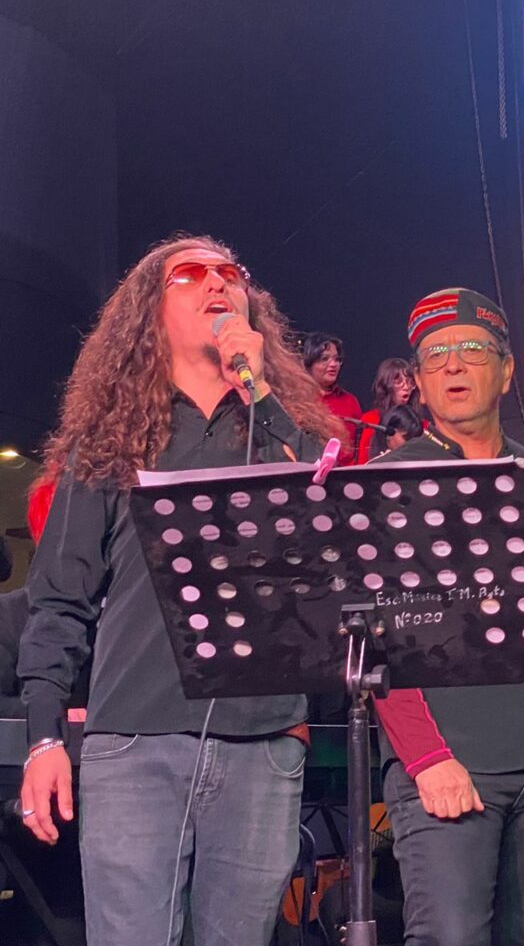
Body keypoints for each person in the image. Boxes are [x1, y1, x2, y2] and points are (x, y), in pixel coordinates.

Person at [17, 235, 340, 946]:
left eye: (231, 273)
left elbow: (339, 535)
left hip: (264, 743)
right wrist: (44, 738)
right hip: (135, 740)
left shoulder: (281, 429)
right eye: (189, 274)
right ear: (148, 314)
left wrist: (260, 388)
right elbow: (60, 602)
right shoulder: (109, 441)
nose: (216, 283)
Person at [373, 287, 524, 946]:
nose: (453, 367)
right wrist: (426, 757)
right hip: (454, 759)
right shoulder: (388, 482)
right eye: (436, 358)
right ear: (419, 385)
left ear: (507, 370)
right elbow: (371, 634)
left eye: (471, 351)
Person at [303, 330, 362, 463]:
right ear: (309, 363)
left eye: (337, 359)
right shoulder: (298, 402)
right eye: (325, 358)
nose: (333, 364)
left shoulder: (350, 401)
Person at [357, 357, 416, 462]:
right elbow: (363, 463)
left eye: (410, 382)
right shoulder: (371, 420)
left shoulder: (421, 424)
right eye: (399, 382)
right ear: (386, 385)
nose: (406, 387)